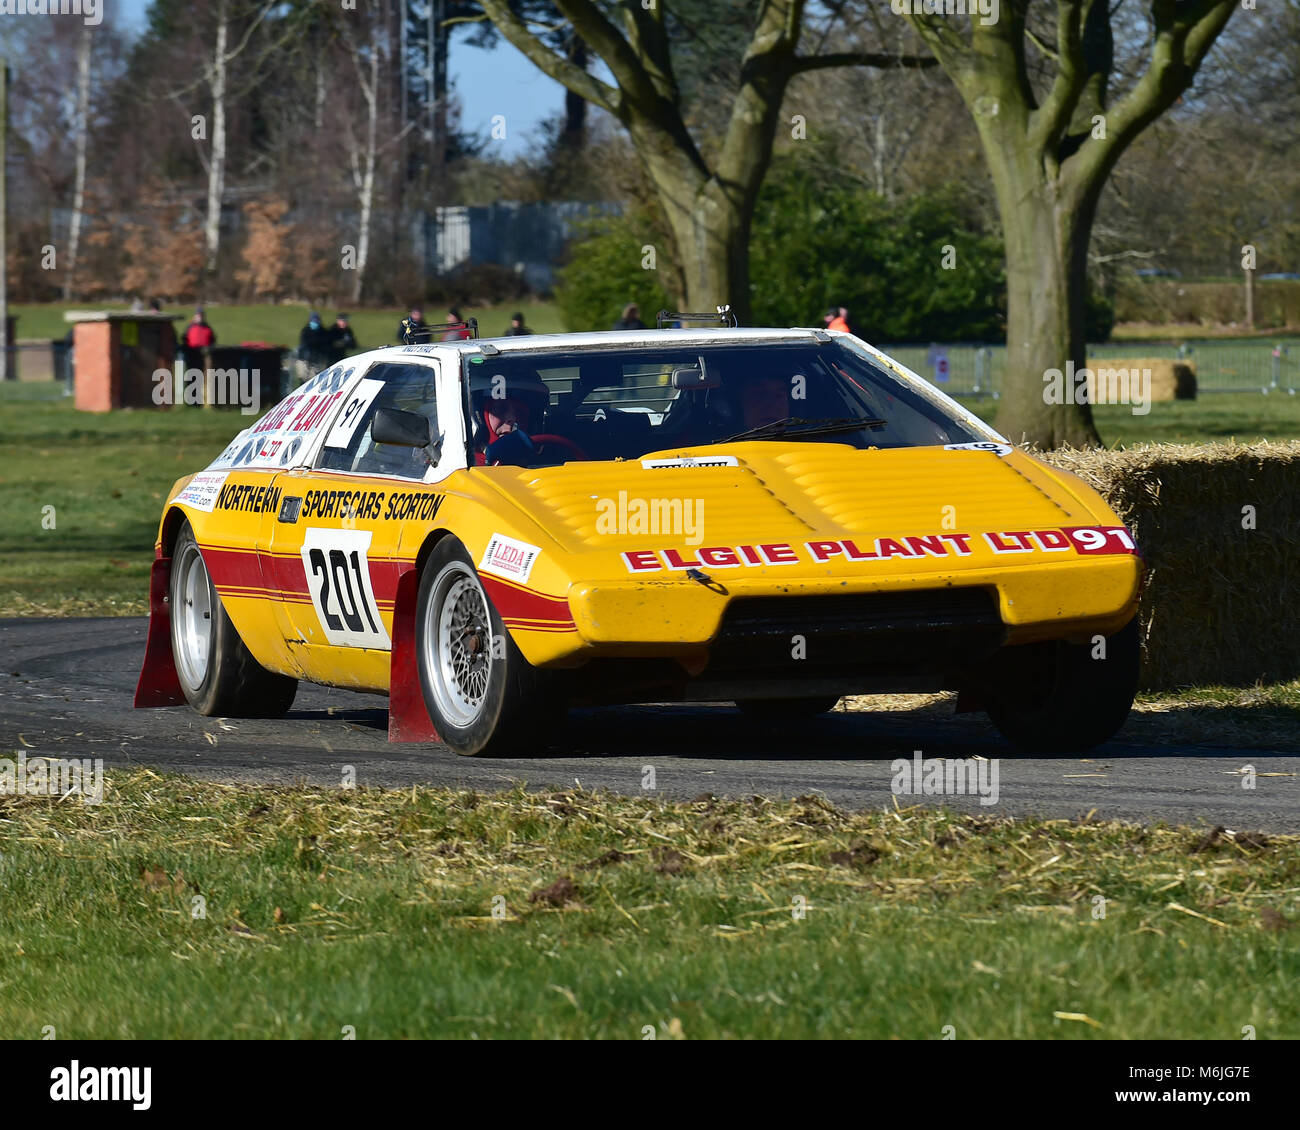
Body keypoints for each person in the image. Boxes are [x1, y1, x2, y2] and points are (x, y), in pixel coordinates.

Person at [469, 371, 552, 467]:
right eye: (500, 409)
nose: (512, 418)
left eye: (520, 411)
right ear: (480, 416)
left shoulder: (553, 459)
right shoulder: (470, 466)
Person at [180, 307, 216, 371]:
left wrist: (209, 348)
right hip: (192, 352)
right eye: (198, 315)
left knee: (208, 364)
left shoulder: (207, 327)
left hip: (204, 352)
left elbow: (213, 340)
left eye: (201, 315)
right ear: (195, 316)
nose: (200, 317)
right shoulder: (190, 327)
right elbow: (184, 338)